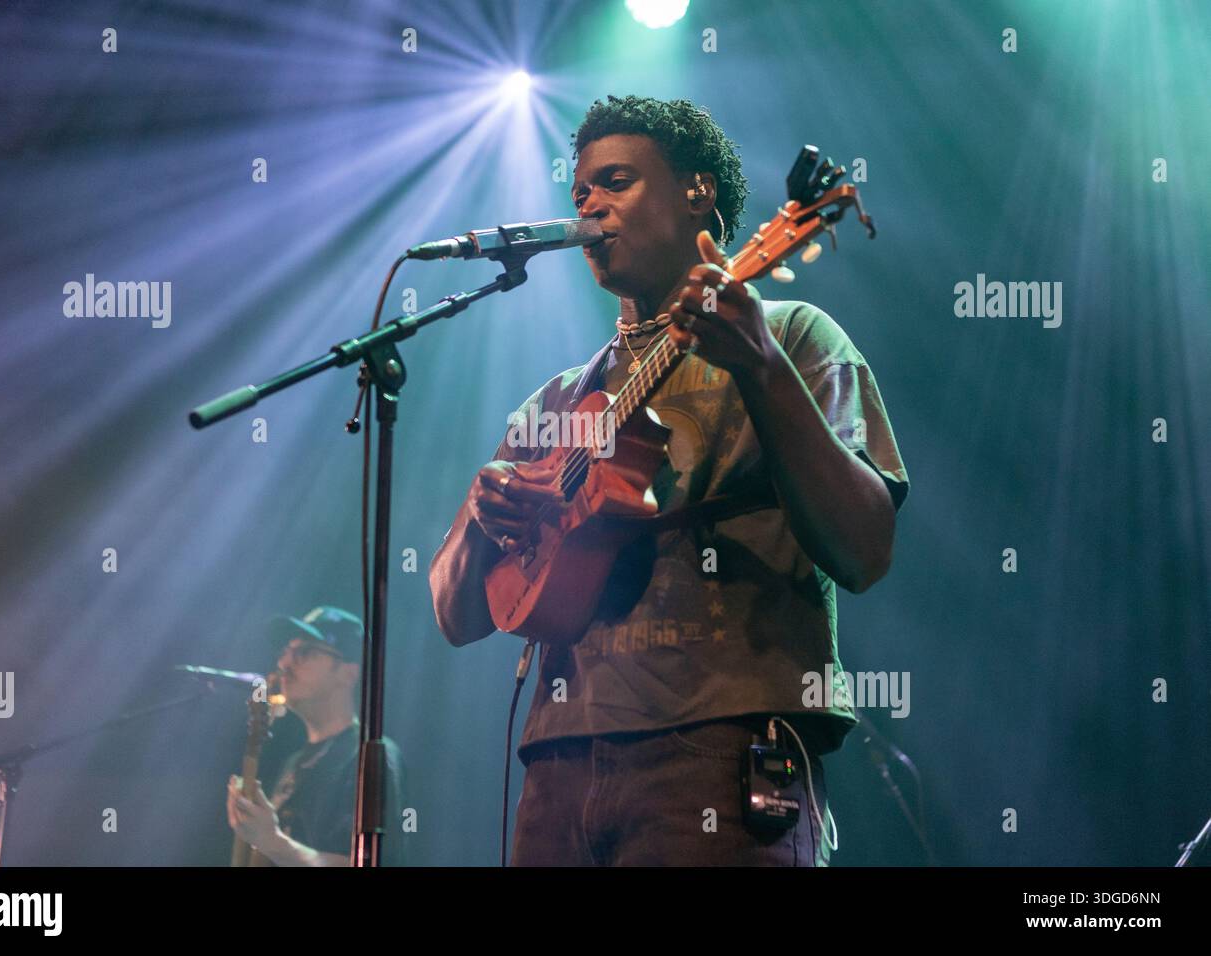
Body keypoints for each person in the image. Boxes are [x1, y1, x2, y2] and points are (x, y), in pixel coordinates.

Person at [428, 95, 910, 866]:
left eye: (615, 180)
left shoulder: (793, 338)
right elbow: (455, 615)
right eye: (579, 190)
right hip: (559, 766)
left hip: (723, 748)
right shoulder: (552, 402)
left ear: (698, 192)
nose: (588, 203)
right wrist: (483, 514)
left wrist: (759, 367)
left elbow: (864, 550)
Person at [226, 605, 406, 866]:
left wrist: (273, 841)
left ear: (348, 672)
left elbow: (368, 862)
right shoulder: (293, 764)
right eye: (285, 652)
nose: (284, 663)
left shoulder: (372, 755)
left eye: (305, 652)